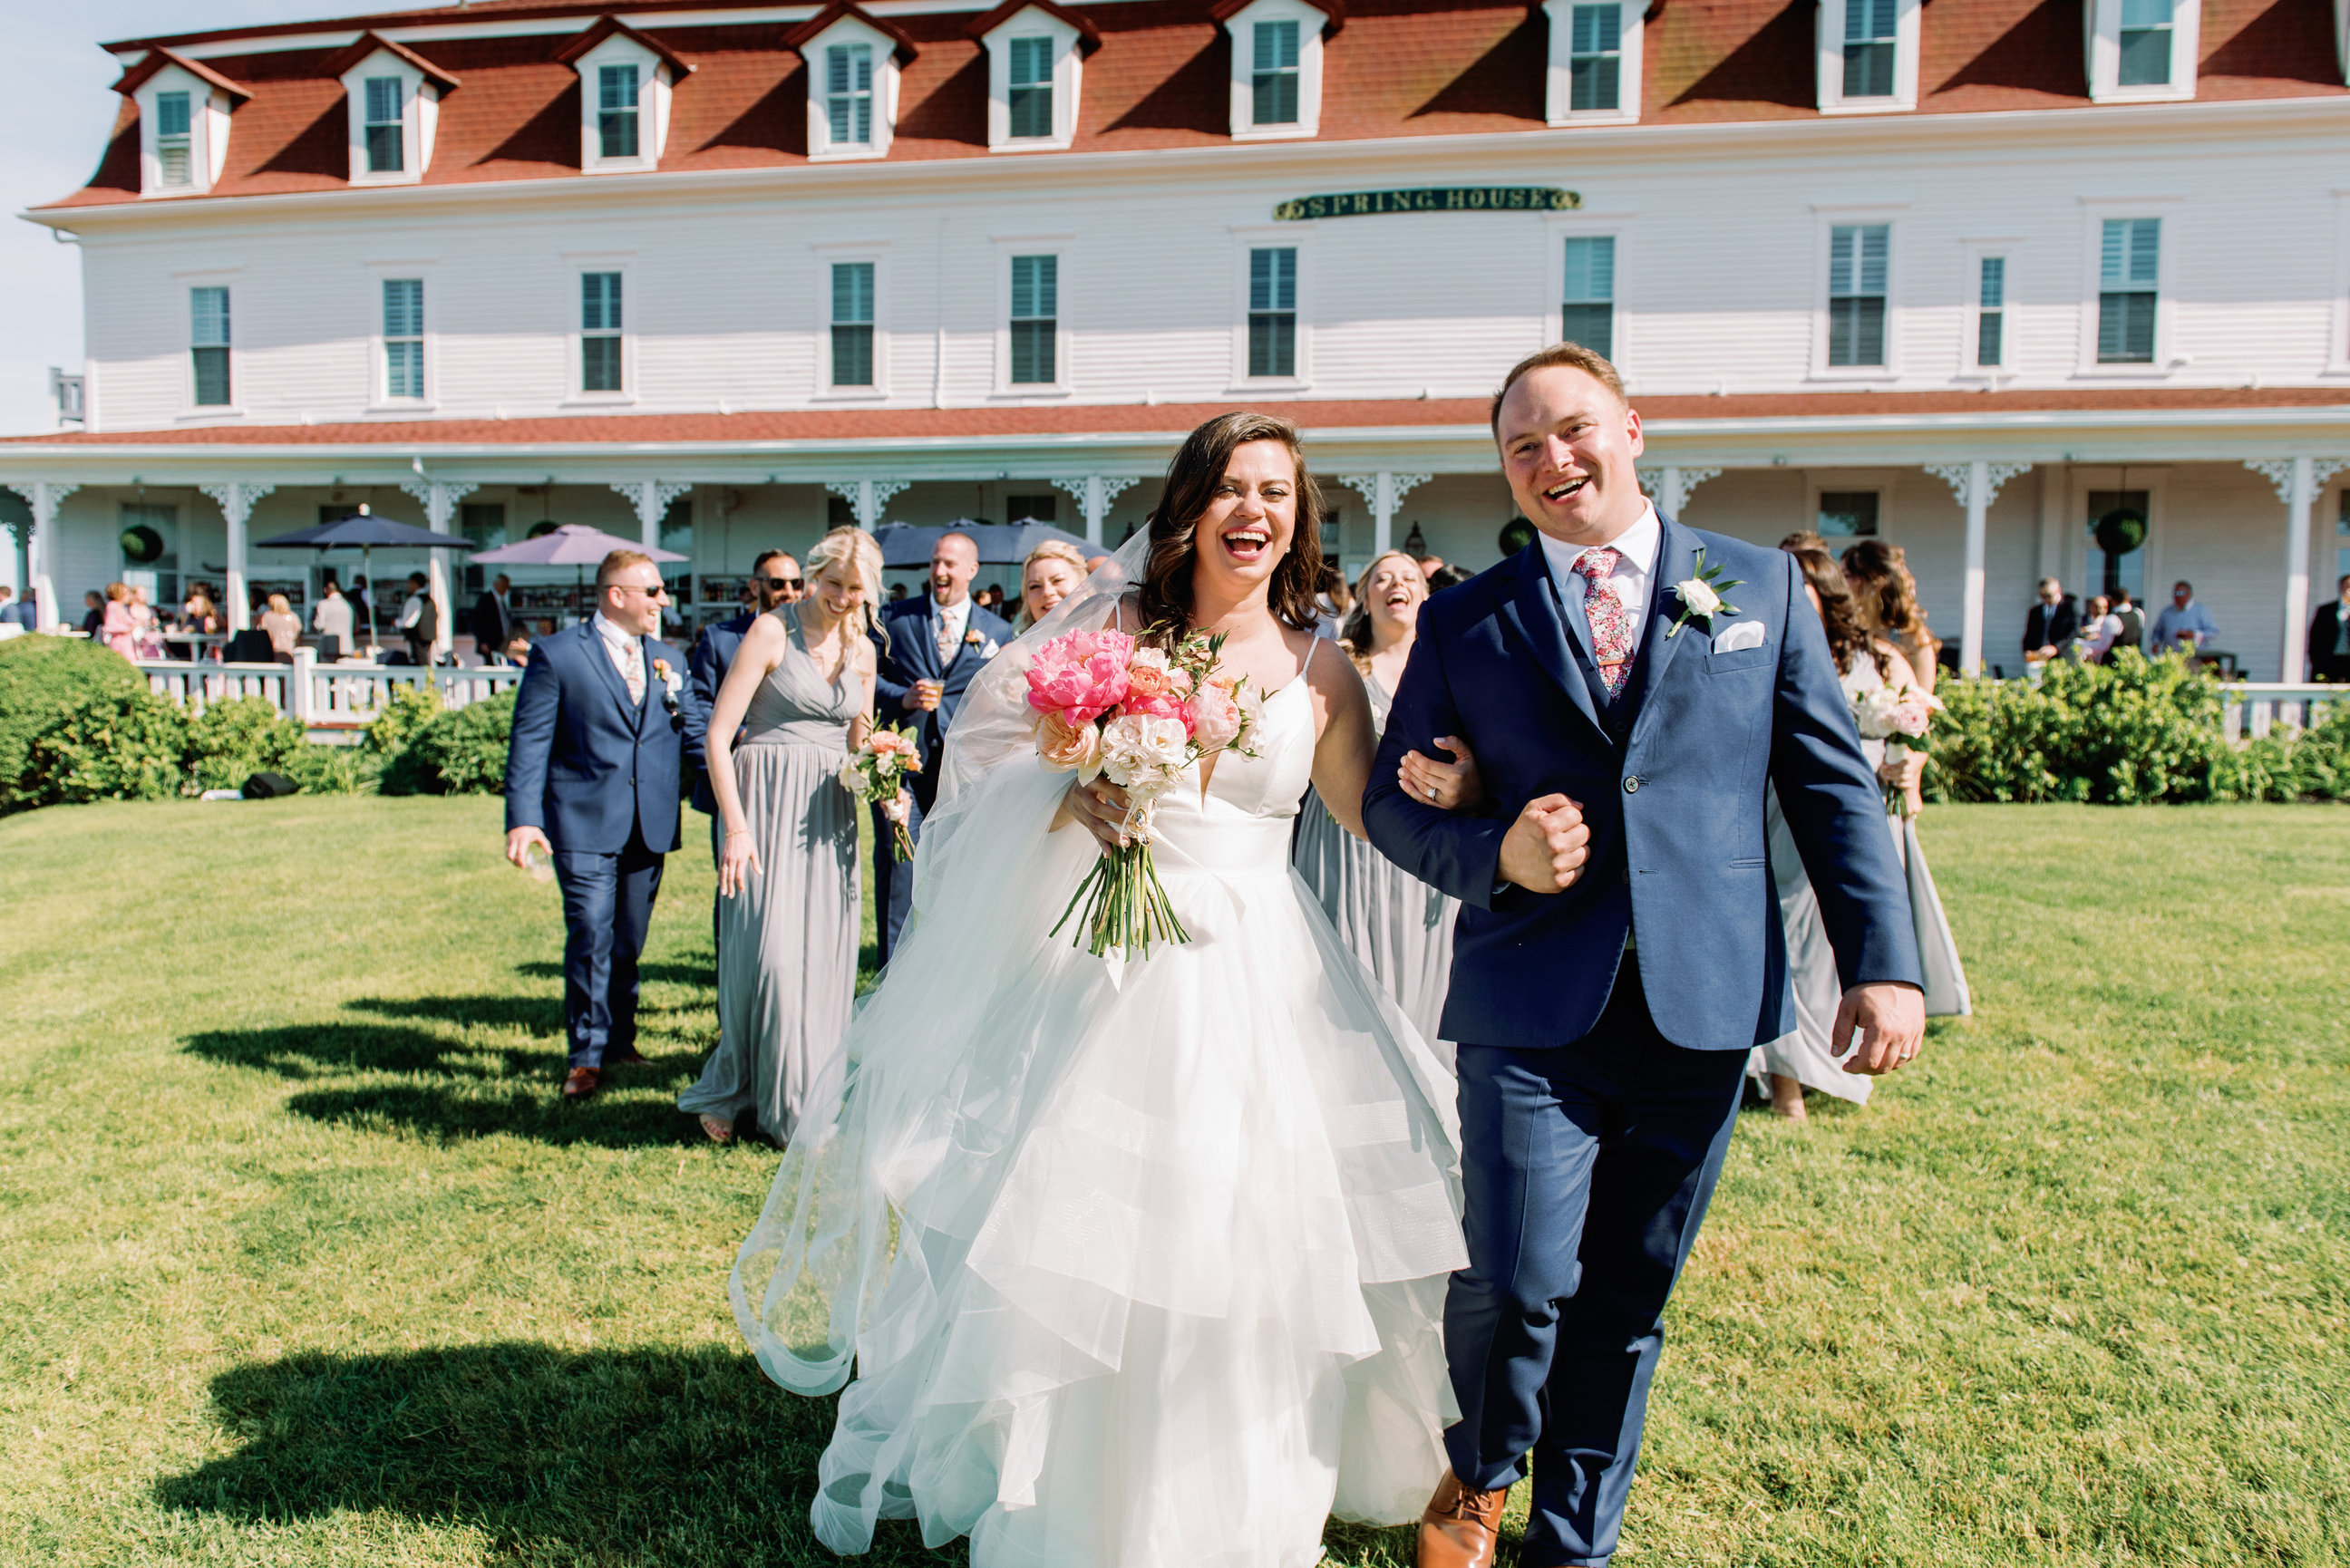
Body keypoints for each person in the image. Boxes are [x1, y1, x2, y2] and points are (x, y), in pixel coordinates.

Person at [731, 411, 1465, 1564]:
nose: (1254, 512)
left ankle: (1233, 1499)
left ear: (1301, 515)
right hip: (1109, 970)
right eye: (1229, 487)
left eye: (1276, 491)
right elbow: (985, 745)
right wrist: (1072, 794)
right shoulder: (1116, 630)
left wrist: (1468, 797)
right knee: (1083, 1233)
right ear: (1189, 506)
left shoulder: (1321, 668)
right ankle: (1074, 1496)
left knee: (1245, 1235)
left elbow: (1378, 816)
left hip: (1260, 979)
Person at [1363, 343, 1922, 1568]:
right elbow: (1396, 805)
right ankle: (1486, 1463)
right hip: (1527, 999)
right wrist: (1492, 853)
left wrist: (1887, 961)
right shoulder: (1468, 620)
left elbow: (1832, 788)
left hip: (1704, 1000)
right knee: (1516, 1277)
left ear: (1632, 429)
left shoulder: (1760, 589)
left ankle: (1573, 1536)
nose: (1553, 460)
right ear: (1504, 472)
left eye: (1573, 430)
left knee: (1626, 1290)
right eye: (1523, 447)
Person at [679, 530, 885, 1148]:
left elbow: (861, 744)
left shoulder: (866, 650)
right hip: (764, 803)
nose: (843, 599)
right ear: (813, 575)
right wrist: (735, 827)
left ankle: (798, 1102)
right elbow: (720, 735)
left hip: (829, 813)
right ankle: (734, 1083)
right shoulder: (772, 632)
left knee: (821, 958)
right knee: (766, 958)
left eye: (855, 589)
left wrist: (888, 783)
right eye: (833, 584)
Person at [1753, 537, 1969, 1122]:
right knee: (1793, 938)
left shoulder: (1879, 659)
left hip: (1864, 811)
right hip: (1781, 814)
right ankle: (1784, 1082)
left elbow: (1916, 722)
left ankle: (1831, 1052)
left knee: (1834, 946)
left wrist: (1911, 766)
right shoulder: (1765, 655)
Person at [503, 550, 709, 1100]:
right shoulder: (559, 655)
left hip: (651, 824)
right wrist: (523, 820)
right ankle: (585, 1057)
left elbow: (695, 738)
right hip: (583, 820)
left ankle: (620, 1039)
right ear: (617, 595)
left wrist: (750, 786)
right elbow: (530, 743)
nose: (663, 601)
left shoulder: (671, 659)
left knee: (628, 941)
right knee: (592, 933)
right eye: (654, 591)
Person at [1294, 548, 1476, 1058]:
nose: (1396, 583)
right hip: (1346, 846)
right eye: (1382, 577)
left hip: (1430, 849)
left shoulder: (1453, 669)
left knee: (1429, 988)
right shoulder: (1336, 665)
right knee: (1349, 983)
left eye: (1409, 577)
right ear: (1364, 597)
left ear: (1424, 594)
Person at [869, 530, 1015, 965]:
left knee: (959, 872)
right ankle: (891, 975)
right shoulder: (895, 618)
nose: (939, 571)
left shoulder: (997, 630)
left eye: (950, 563)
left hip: (967, 771)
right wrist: (902, 697)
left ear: (972, 570)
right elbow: (865, 679)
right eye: (935, 562)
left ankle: (944, 969)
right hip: (905, 769)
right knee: (900, 870)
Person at [685, 549, 806, 945]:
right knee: (736, 881)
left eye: (796, 583)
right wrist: (737, 744)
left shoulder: (809, 642)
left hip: (794, 785)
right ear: (756, 587)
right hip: (734, 777)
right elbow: (699, 706)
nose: (788, 591)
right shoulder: (722, 639)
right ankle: (731, 969)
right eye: (777, 583)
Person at [1840, 538, 1937, 686]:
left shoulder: (1913, 639)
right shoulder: (1846, 631)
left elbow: (1923, 702)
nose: (1841, 583)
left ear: (1875, 583)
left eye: (1847, 576)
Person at [1014, 537, 1087, 628]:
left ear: (1083, 584)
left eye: (1057, 580)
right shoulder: (1015, 643)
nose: (1047, 592)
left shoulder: (1106, 639)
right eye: (1035, 586)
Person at [2150, 579, 2218, 653]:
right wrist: (2155, 643)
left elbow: (2213, 632)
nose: (2178, 596)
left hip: (2195, 655)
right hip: (2172, 656)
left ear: (2189, 594)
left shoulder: (2201, 611)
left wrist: (2194, 634)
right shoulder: (2166, 612)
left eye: (2181, 593)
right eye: (2175, 593)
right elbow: (2158, 631)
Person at [2024, 576, 2077, 663]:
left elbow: (2073, 633)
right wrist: (2028, 651)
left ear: (2058, 591)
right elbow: (2029, 635)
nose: (2045, 599)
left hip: (2062, 659)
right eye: (2042, 596)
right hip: (2039, 659)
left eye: (2049, 595)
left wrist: (2055, 648)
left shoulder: (2069, 609)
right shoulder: (2035, 612)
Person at [2309, 574, 2350, 682]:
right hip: (2329, 661)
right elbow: (2315, 637)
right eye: (2348, 587)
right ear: (2341, 588)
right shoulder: (2325, 610)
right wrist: (2316, 660)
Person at [470, 574, 515, 664]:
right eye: (504, 585)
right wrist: (482, 641)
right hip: (490, 643)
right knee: (491, 666)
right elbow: (477, 621)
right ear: (497, 584)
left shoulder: (502, 601)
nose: (505, 589)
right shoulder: (486, 599)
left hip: (503, 641)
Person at [397, 572, 438, 667]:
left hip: (417, 637)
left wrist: (395, 622)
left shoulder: (415, 600)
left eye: (409, 583)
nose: (408, 586)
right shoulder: (429, 600)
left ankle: (425, 680)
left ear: (414, 583)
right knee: (424, 660)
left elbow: (408, 622)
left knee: (420, 662)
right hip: (428, 636)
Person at [309, 578, 353, 659]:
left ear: (326, 590)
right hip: (347, 646)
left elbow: (320, 625)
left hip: (329, 646)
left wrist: (314, 623)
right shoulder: (347, 605)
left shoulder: (323, 604)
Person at [2075, 593, 2122, 663]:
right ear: (2091, 607)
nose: (2100, 610)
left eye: (2104, 607)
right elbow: (2075, 633)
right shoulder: (2082, 619)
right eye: (2097, 607)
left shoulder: (2109, 622)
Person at [1313, 558, 1353, 638]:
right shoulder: (1350, 601)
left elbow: (1311, 616)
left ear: (1328, 582)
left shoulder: (1321, 598)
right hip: (1342, 636)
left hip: (1321, 636)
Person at [258, 593, 303, 660]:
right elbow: (298, 634)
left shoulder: (267, 616)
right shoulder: (293, 616)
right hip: (289, 649)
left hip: (272, 649)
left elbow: (261, 632)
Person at [100, 583, 136, 660]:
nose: (128, 596)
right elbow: (110, 625)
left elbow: (130, 621)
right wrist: (126, 629)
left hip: (126, 640)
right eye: (125, 593)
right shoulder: (112, 606)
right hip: (118, 640)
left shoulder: (121, 607)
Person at [2111, 585, 2145, 656]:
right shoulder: (2139, 613)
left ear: (2113, 601)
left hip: (2117, 659)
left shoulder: (2113, 618)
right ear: (2129, 598)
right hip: (2134, 657)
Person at [348, 574, 374, 652]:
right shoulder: (365, 592)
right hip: (366, 626)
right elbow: (373, 609)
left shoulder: (347, 594)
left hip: (352, 628)